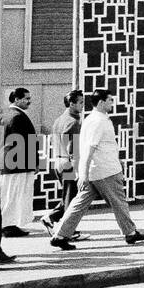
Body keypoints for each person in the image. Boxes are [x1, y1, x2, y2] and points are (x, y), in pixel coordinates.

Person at [51, 89, 144, 250]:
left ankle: (60, 235)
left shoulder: (90, 119)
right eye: (110, 100)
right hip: (105, 170)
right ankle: (130, 233)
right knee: (119, 201)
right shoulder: (99, 121)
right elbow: (90, 147)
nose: (112, 103)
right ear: (101, 102)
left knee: (79, 204)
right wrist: (83, 172)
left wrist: (84, 172)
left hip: (94, 171)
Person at [42, 90, 85, 237]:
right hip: (69, 162)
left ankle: (52, 218)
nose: (82, 105)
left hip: (58, 160)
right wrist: (78, 169)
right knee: (71, 199)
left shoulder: (59, 119)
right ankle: (67, 230)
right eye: (80, 102)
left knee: (69, 195)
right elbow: (75, 148)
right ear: (71, 103)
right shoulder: (74, 122)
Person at [0, 88, 38, 237]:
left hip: (8, 163)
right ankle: (8, 226)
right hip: (18, 164)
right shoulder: (17, 116)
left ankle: (9, 224)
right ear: (16, 99)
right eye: (26, 98)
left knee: (10, 195)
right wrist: (34, 163)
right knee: (14, 196)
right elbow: (26, 142)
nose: (29, 101)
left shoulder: (4, 115)